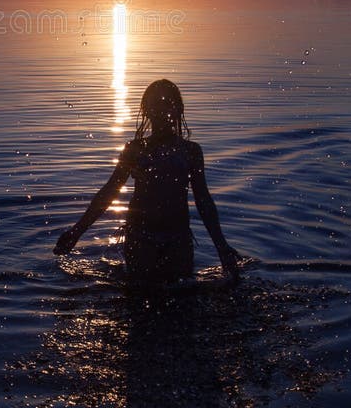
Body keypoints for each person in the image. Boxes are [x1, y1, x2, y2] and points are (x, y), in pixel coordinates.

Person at [53, 79, 241, 284]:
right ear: (146, 110)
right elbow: (110, 192)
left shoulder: (191, 152)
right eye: (155, 104)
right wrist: (77, 231)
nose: (161, 110)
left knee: (183, 304)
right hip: (141, 237)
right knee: (138, 297)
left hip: (178, 237)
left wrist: (222, 246)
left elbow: (203, 199)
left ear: (179, 109)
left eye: (167, 103)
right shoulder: (134, 150)